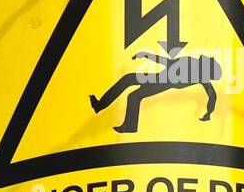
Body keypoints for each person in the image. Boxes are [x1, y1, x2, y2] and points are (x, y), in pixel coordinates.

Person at [90, 49, 221, 133]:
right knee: (129, 83)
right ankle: (101, 106)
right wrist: (146, 55)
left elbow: (212, 94)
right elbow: (167, 62)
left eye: (208, 61)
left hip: (161, 83)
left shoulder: (200, 74)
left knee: (133, 95)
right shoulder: (190, 62)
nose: (204, 57)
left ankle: (129, 126)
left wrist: (209, 112)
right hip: (158, 78)